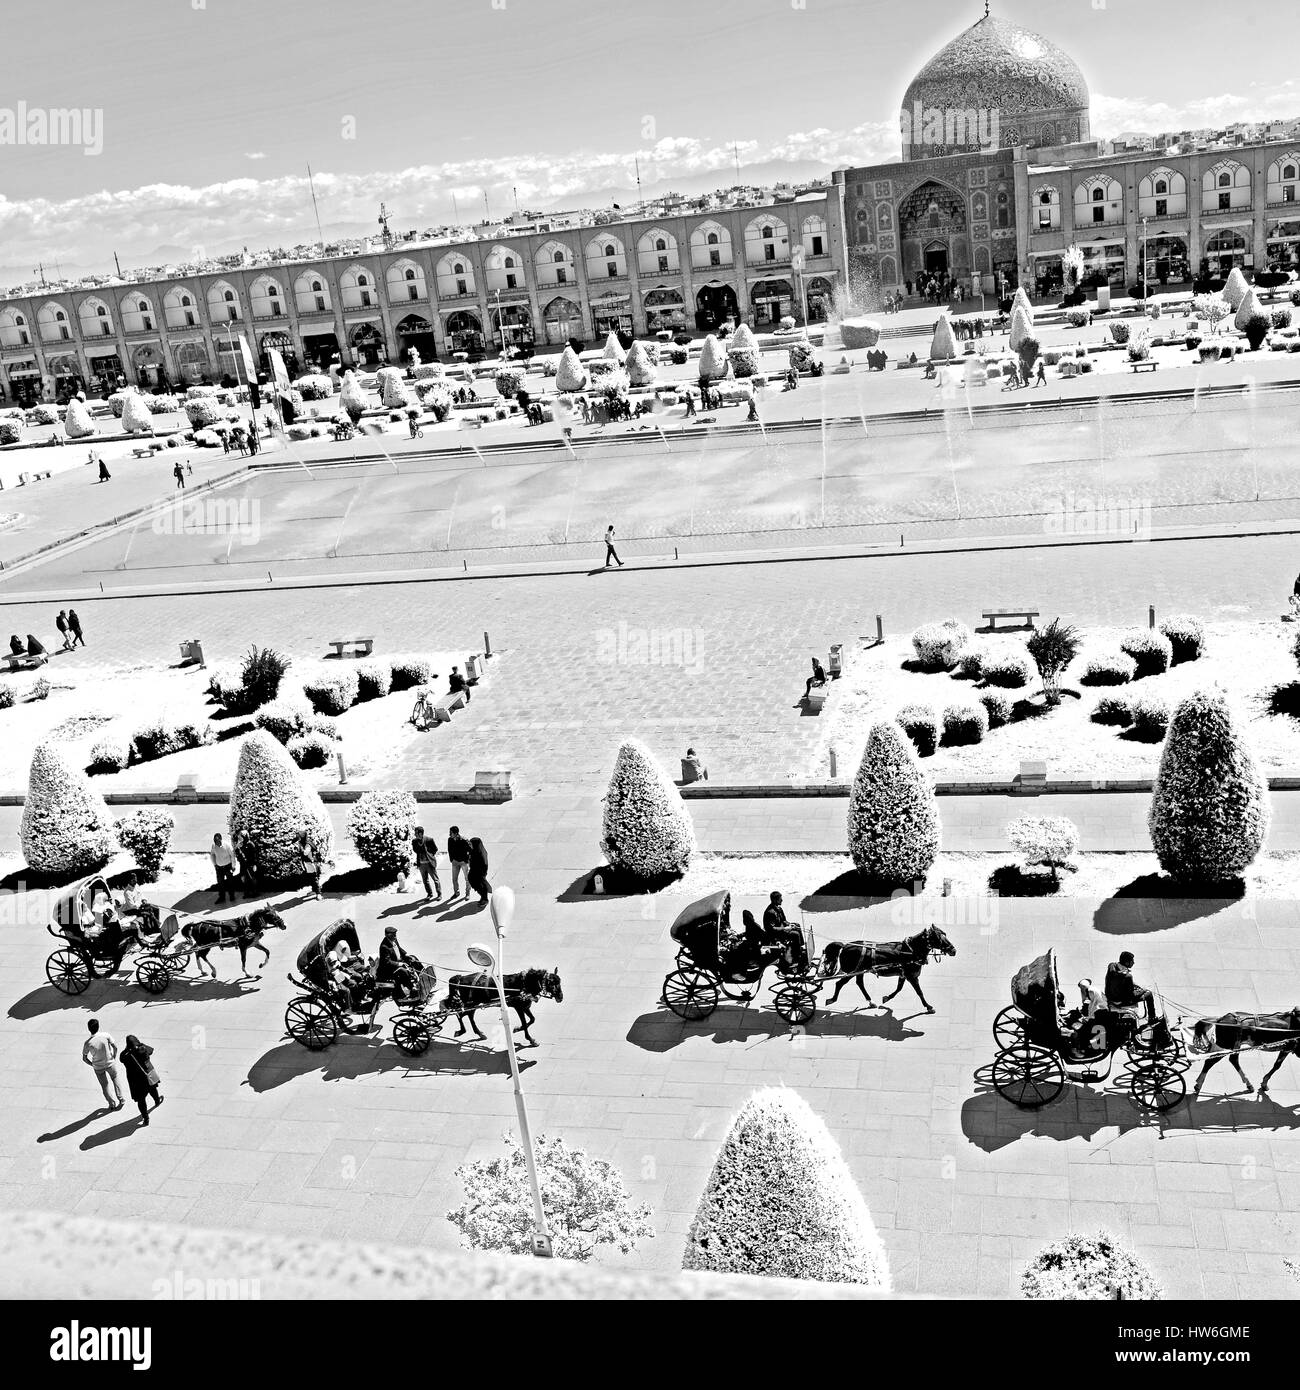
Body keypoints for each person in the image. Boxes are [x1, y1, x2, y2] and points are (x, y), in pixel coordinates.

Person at [82, 1019, 124, 1110]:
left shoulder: (87, 1043)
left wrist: (92, 1064)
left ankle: (111, 1103)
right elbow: (115, 1047)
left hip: (98, 1067)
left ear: (89, 1029)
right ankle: (121, 1099)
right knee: (115, 1078)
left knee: (104, 1086)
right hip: (110, 1063)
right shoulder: (106, 1035)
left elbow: (84, 1058)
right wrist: (113, 1057)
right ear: (98, 1026)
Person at [1105, 950, 1156, 1024]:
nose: (1133, 963)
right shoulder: (1128, 976)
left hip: (1111, 997)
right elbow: (1132, 995)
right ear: (1126, 962)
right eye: (1132, 961)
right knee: (1149, 994)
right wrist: (1143, 990)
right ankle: (1152, 1018)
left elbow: (1117, 978)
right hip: (1121, 1001)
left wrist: (1133, 984)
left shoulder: (1112, 966)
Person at [121, 1035, 163, 1125]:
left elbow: (121, 1058)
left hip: (136, 1082)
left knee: (141, 1101)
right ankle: (157, 1101)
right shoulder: (142, 1049)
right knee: (153, 1089)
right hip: (147, 1076)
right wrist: (140, 1044)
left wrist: (127, 1049)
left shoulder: (127, 1055)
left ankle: (146, 1118)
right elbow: (151, 1050)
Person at [411, 826, 441, 899]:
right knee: (425, 881)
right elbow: (415, 850)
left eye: (416, 833)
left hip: (429, 863)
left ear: (421, 833)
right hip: (421, 864)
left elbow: (435, 849)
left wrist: (430, 855)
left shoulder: (429, 840)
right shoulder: (414, 841)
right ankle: (429, 894)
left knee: (435, 880)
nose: (415, 834)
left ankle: (439, 894)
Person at [210, 832, 236, 904]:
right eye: (215, 841)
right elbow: (212, 855)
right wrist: (215, 864)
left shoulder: (227, 845)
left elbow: (232, 856)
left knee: (230, 882)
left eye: (217, 841)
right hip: (219, 868)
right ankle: (222, 897)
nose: (216, 843)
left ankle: (232, 896)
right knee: (220, 883)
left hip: (228, 866)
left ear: (221, 839)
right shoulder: (213, 846)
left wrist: (233, 866)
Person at [298, 828, 324, 899]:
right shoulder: (303, 843)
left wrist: (301, 849)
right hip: (307, 863)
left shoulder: (307, 844)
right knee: (311, 878)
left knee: (314, 878)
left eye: (299, 836)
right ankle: (314, 891)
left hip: (311, 863)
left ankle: (318, 893)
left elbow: (306, 853)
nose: (298, 837)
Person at [447, 825, 471, 899]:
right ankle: (456, 892)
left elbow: (470, 850)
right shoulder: (450, 840)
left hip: (464, 862)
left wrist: (466, 859)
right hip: (455, 862)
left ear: (456, 833)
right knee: (454, 879)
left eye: (451, 833)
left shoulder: (464, 840)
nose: (449, 834)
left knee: (467, 879)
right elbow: (449, 850)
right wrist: (452, 860)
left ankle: (467, 893)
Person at [467, 836, 491, 905]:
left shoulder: (480, 854)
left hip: (479, 873)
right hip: (474, 871)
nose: (470, 845)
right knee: (477, 885)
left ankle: (485, 899)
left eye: (471, 844)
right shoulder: (473, 850)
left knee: (481, 886)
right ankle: (482, 897)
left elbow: (484, 865)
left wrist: (481, 874)